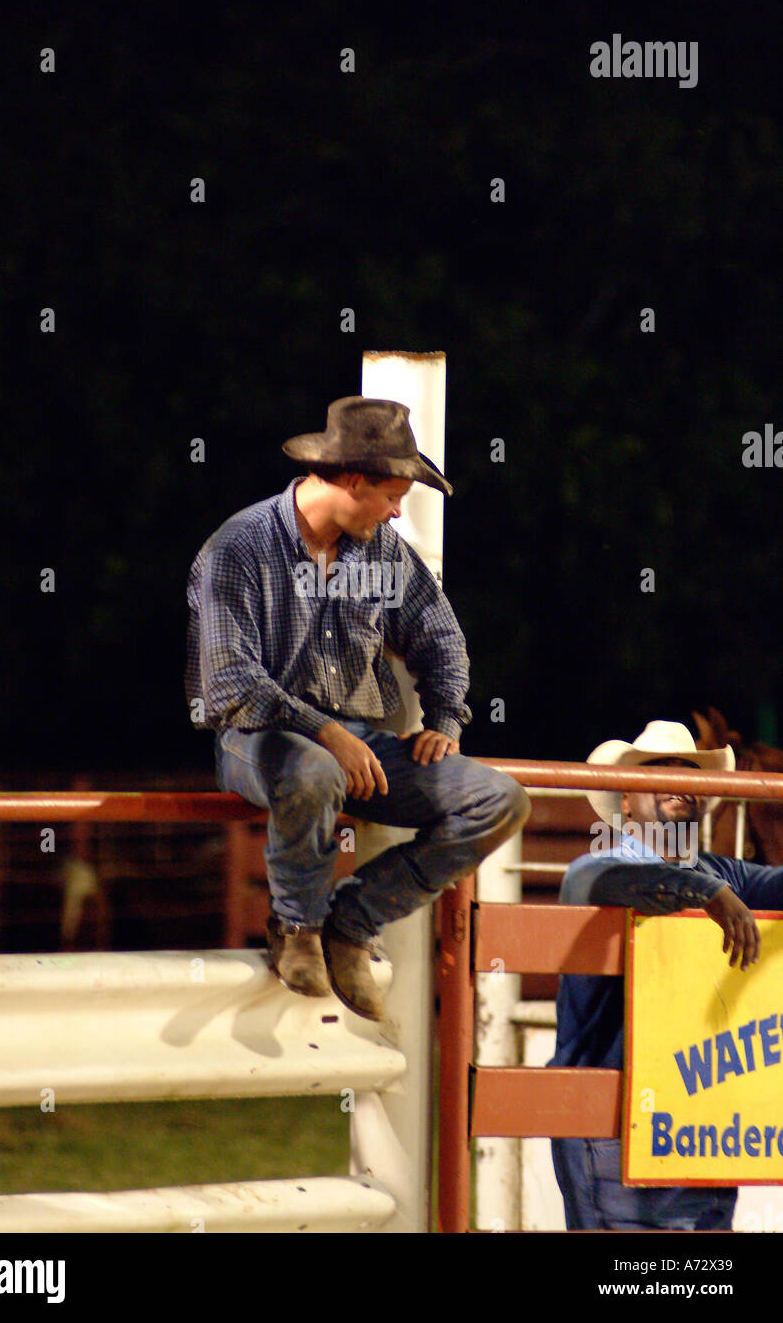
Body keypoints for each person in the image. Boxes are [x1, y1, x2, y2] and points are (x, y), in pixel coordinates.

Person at [185, 396, 530, 1020]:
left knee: (499, 799)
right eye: (394, 494)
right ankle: (296, 930)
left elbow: (442, 639)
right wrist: (325, 732)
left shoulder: (384, 555)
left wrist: (444, 720)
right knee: (314, 771)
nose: (399, 511)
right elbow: (229, 681)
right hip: (254, 736)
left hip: (357, 741)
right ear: (351, 480)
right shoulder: (238, 547)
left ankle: (352, 922)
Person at [550, 719, 783, 1231]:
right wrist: (703, 893)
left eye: (690, 770)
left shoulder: (727, 874)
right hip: (617, 1126)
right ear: (625, 802)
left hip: (705, 1125)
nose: (680, 779)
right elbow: (604, 881)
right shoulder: (600, 867)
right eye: (660, 769)